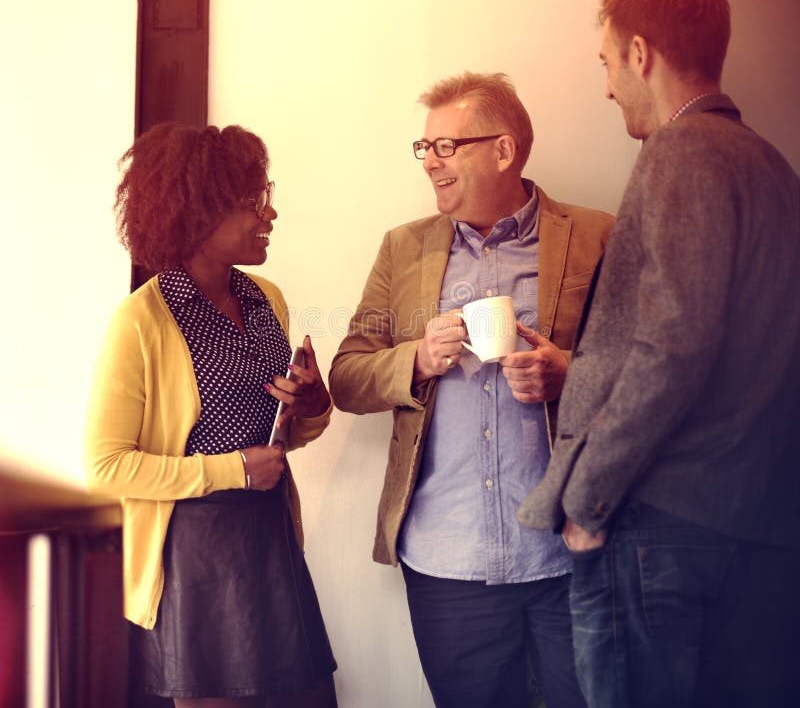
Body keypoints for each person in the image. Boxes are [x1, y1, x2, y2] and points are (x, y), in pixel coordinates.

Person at [517, 0, 800, 708]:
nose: (607, 85)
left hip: (657, 533)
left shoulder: (680, 151)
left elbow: (677, 341)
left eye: (609, 63)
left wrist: (590, 501)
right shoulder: (775, 169)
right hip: (760, 528)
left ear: (641, 54)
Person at [329, 72, 613, 708]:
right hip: (447, 557)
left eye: (445, 147)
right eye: (423, 148)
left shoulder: (597, 236)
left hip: (570, 551)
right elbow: (347, 374)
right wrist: (417, 360)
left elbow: (649, 371)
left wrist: (567, 372)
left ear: (504, 150)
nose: (429, 162)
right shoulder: (403, 248)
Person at [85, 123, 337, 708]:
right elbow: (106, 465)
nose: (269, 214)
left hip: (272, 535)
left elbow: (277, 439)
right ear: (196, 215)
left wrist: (311, 405)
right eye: (253, 202)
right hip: (195, 556)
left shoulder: (264, 297)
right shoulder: (142, 321)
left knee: (311, 699)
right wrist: (234, 472)